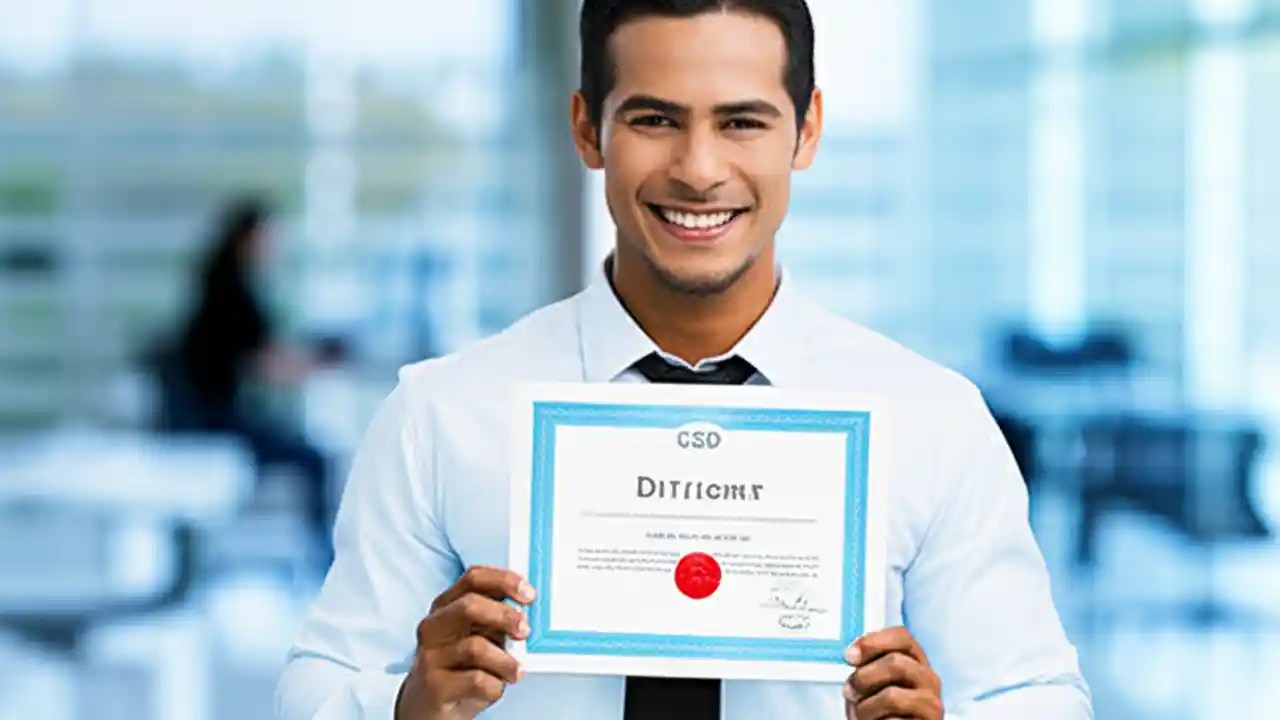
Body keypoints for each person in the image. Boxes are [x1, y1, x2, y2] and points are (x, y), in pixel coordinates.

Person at [276, 2, 1092, 719]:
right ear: (587, 129)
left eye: (742, 122)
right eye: (654, 120)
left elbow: (1037, 696)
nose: (700, 171)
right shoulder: (442, 413)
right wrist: (409, 706)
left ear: (807, 128)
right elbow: (317, 685)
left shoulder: (932, 420)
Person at [170, 197, 333, 556]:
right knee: (314, 460)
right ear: (249, 239)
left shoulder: (220, 286)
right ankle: (325, 556)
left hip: (203, 414)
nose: (275, 248)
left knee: (300, 449)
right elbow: (270, 365)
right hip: (213, 420)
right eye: (269, 238)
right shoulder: (233, 294)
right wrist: (322, 363)